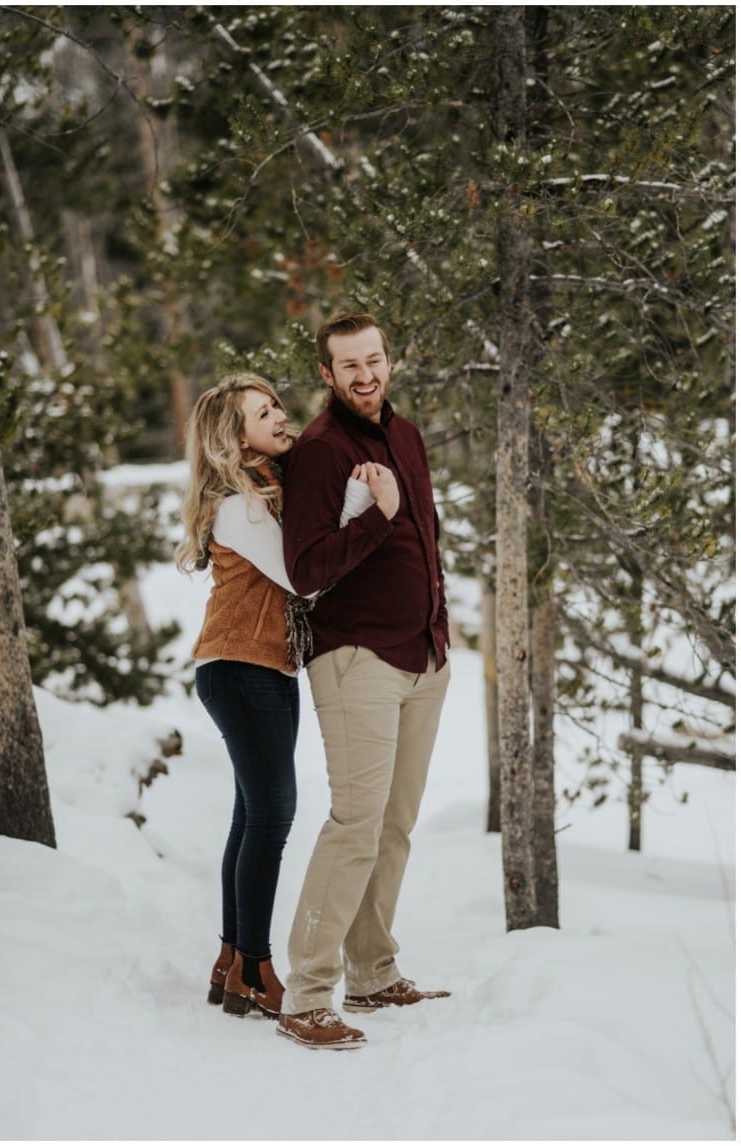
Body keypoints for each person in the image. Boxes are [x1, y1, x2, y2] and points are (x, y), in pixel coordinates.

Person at [276, 311, 452, 1051]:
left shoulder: (404, 435)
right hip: (357, 659)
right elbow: (305, 570)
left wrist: (439, 631)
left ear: (389, 360)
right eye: (349, 365)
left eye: (374, 359)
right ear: (326, 373)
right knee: (355, 823)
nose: (365, 374)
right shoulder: (320, 452)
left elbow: (429, 533)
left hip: (422, 653)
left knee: (394, 824)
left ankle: (374, 971)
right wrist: (377, 517)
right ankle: (307, 994)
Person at [175, 372, 304, 1021]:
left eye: (277, 404)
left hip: (256, 670)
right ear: (236, 436)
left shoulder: (258, 496)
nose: (280, 415)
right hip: (243, 669)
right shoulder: (242, 506)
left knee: (252, 816)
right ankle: (255, 967)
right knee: (274, 817)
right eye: (263, 411)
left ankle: (231, 958)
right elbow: (301, 576)